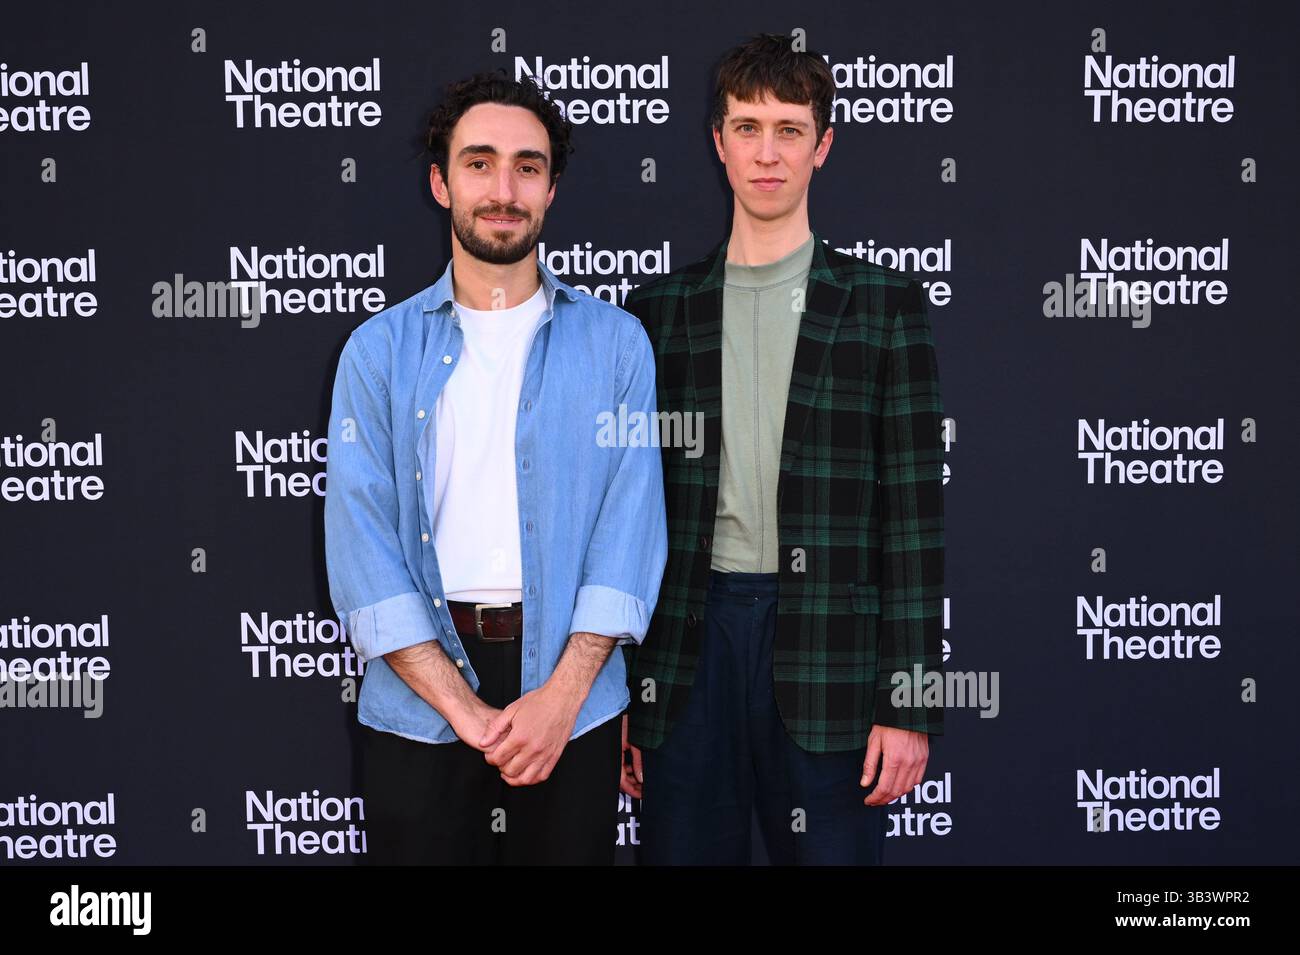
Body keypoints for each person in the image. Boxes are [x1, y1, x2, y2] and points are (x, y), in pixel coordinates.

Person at [324, 71, 666, 865]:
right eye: (479, 163)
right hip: (420, 698)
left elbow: (629, 531)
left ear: (551, 190)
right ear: (441, 182)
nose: (503, 188)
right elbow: (362, 548)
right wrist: (467, 711)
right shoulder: (378, 352)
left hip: (571, 701)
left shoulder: (616, 345)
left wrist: (559, 698)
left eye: (528, 166)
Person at [619, 34, 946, 865]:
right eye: (748, 127)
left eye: (790, 129)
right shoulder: (656, 312)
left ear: (822, 145)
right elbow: (626, 511)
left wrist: (909, 700)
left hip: (832, 653)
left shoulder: (882, 305)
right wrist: (623, 689)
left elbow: (913, 515)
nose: (768, 152)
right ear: (717, 140)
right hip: (689, 648)